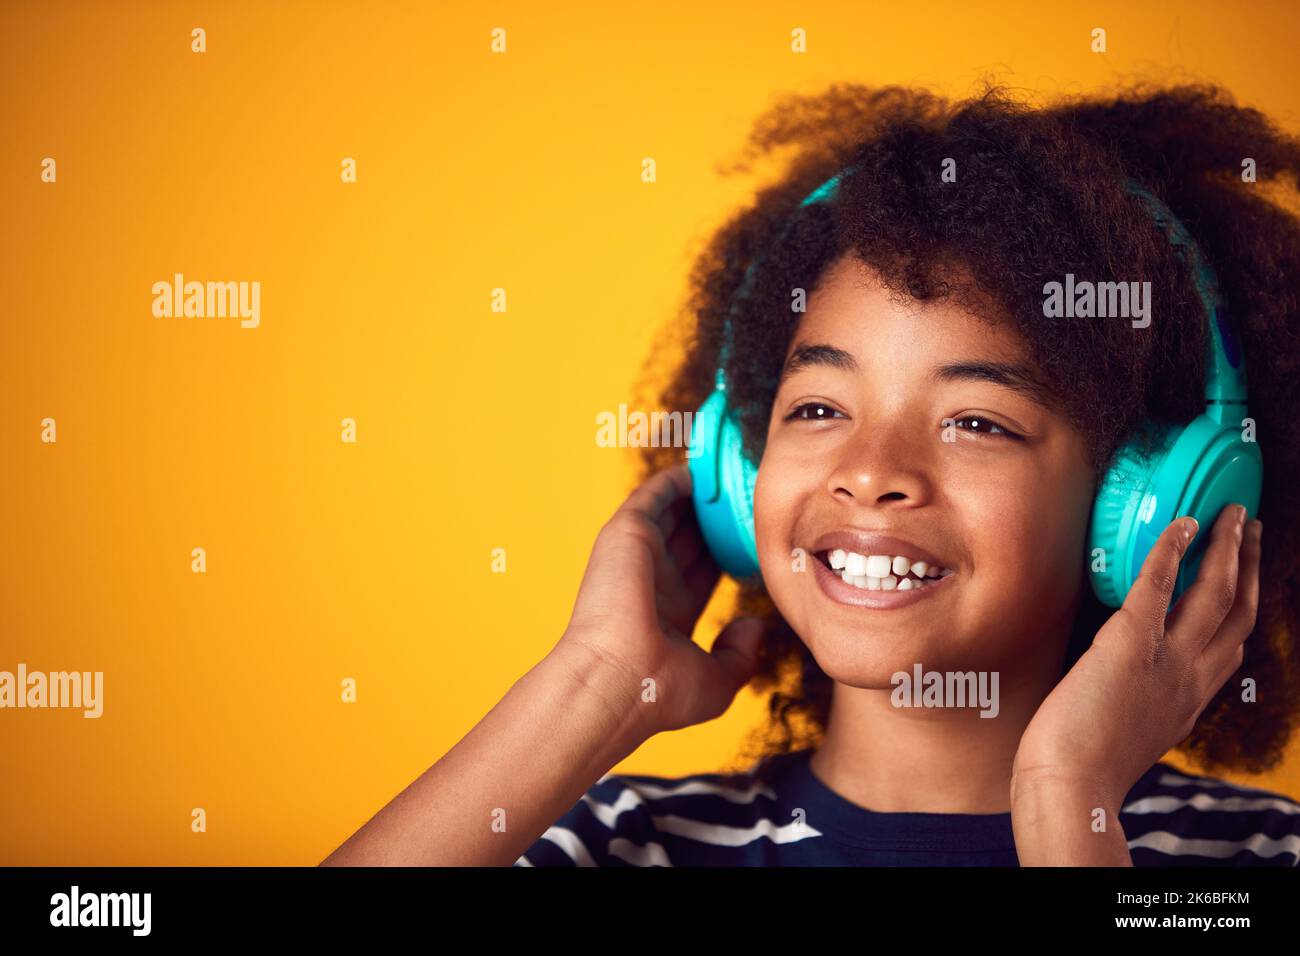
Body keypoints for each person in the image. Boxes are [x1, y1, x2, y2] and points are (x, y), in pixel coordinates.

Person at [322, 83, 1300, 866]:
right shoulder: (623, 842)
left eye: (974, 421)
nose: (870, 471)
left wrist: (1065, 801)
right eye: (818, 409)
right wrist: (595, 683)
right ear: (736, 465)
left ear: (1152, 501)